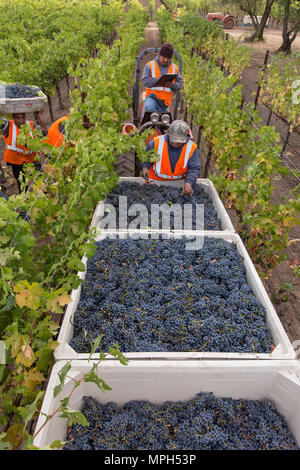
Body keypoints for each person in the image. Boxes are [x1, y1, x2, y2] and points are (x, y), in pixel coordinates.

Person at [141, 120, 200, 195]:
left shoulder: (192, 148)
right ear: (168, 132)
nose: (175, 144)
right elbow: (146, 159)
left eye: (179, 142)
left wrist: (189, 183)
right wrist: (145, 168)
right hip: (155, 184)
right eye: (173, 140)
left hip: (179, 187)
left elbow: (194, 169)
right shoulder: (156, 142)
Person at [0, 113, 44, 193]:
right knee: (22, 186)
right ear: (13, 117)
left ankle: (43, 200)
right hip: (16, 162)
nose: (21, 121)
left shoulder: (32, 125)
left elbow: (43, 136)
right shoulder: (8, 126)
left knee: (40, 183)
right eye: (18, 118)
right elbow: (1, 122)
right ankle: (25, 202)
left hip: (32, 160)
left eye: (23, 117)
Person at [142, 42, 183, 115]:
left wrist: (172, 85)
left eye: (168, 58)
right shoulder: (150, 65)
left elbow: (180, 85)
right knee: (149, 110)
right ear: (159, 55)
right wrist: (158, 80)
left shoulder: (175, 68)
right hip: (152, 98)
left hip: (165, 103)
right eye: (164, 57)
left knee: (166, 123)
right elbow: (145, 81)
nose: (166, 60)